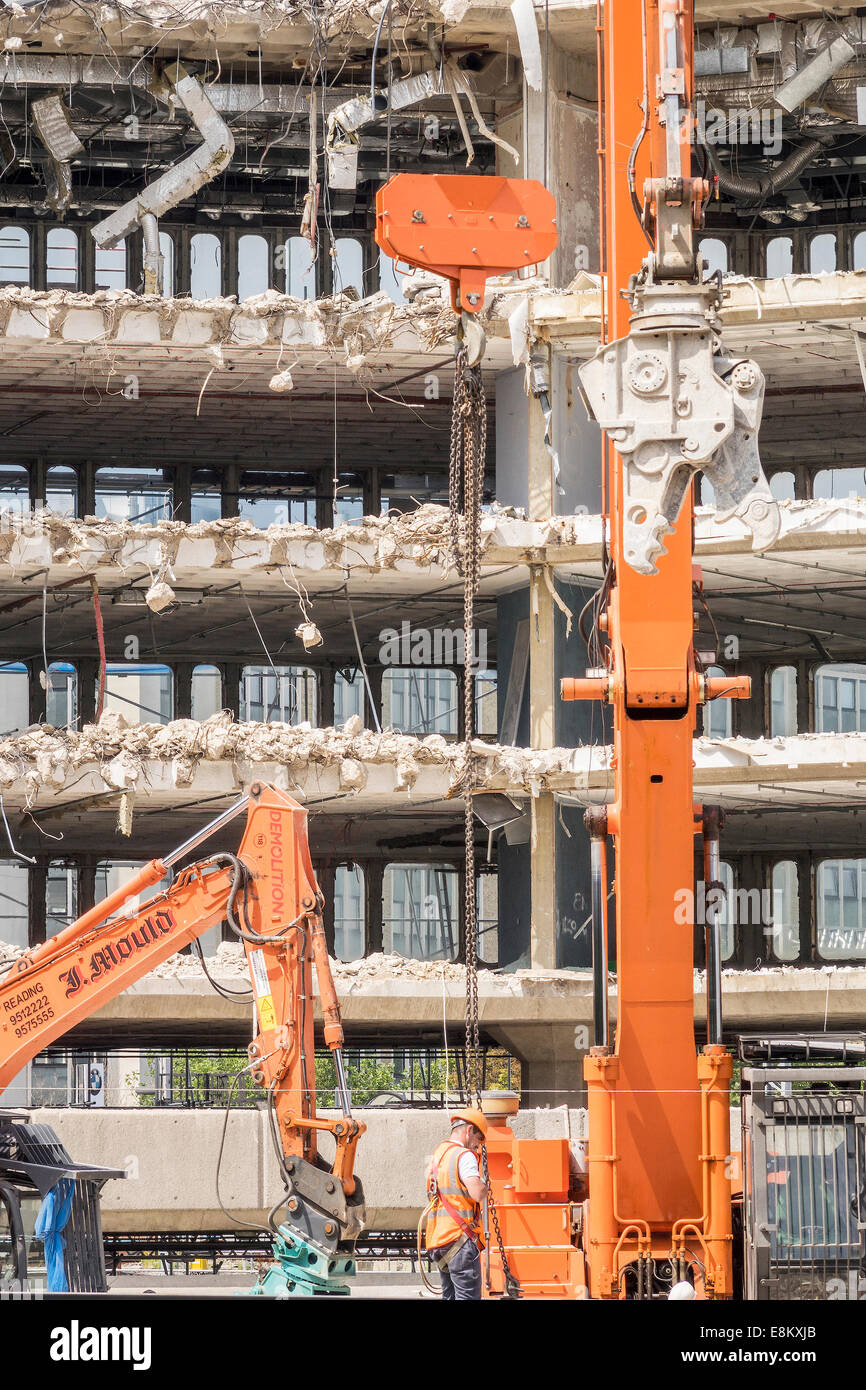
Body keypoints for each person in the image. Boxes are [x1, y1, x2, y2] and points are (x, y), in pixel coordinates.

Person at [424, 1107, 489, 1301]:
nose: (477, 1146)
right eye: (478, 1140)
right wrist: (485, 1186)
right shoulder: (464, 1156)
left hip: (440, 1239)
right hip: (459, 1240)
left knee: (450, 1296)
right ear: (469, 1130)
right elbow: (477, 1193)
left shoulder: (438, 1154)